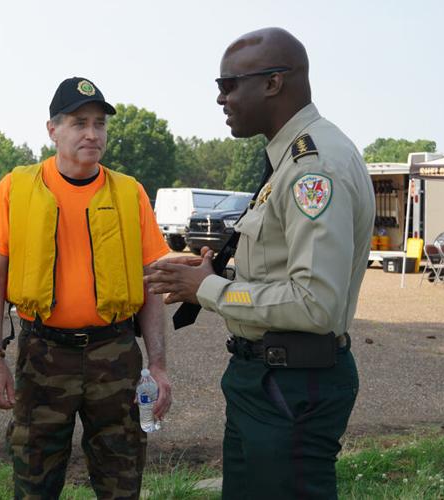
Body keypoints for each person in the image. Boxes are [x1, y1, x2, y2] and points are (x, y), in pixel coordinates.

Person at [145, 28, 374, 499]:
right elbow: (284, 273)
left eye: (228, 84)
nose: (220, 98)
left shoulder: (314, 167)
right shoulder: (291, 156)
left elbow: (315, 303)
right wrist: (214, 276)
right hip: (270, 381)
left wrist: (206, 291)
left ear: (273, 82)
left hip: (291, 387)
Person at [0, 77, 172, 499]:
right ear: (52, 129)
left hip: (115, 354)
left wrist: (158, 365)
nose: (92, 133)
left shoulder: (129, 192)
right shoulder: (17, 187)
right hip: (43, 354)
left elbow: (151, 285)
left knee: (121, 476)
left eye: (99, 124)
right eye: (79, 122)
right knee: (34, 477)